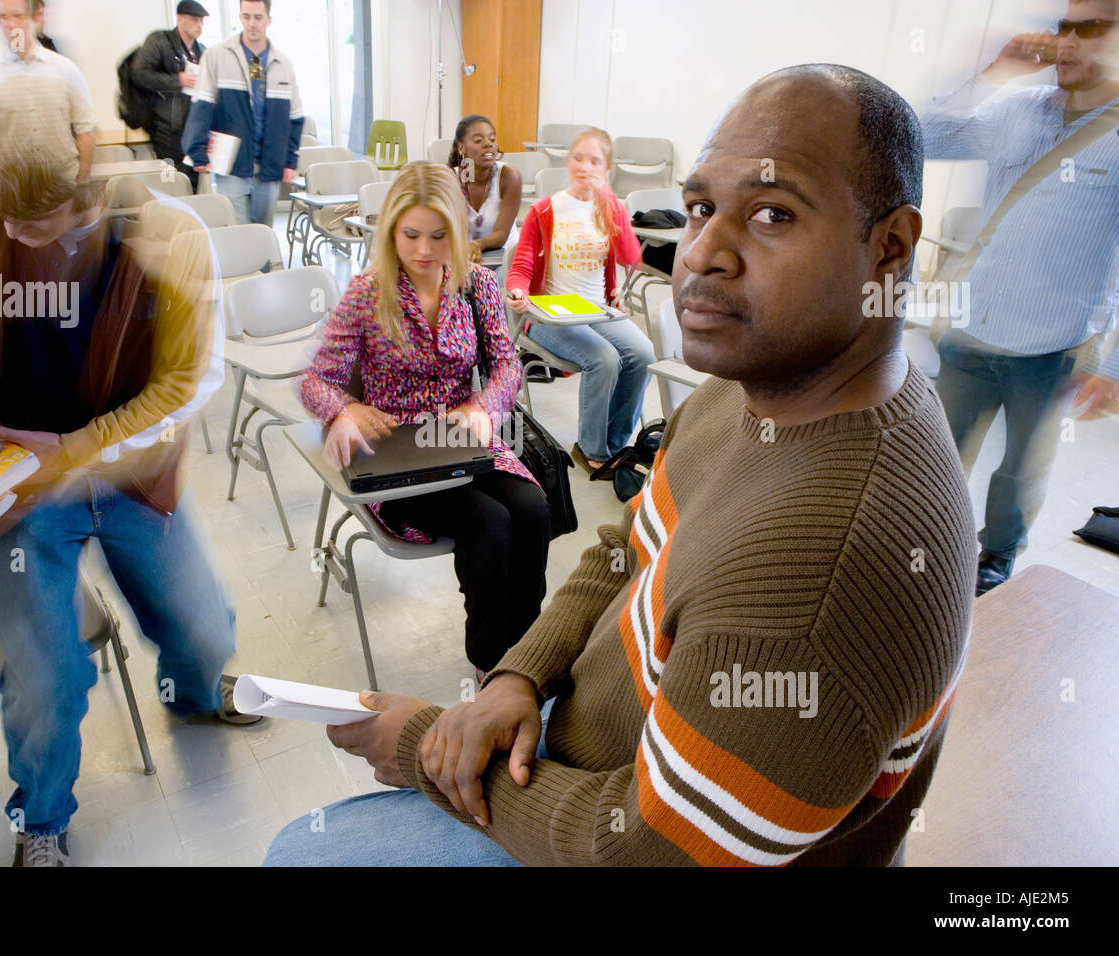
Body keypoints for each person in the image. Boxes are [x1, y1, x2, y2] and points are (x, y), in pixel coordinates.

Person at [264, 64, 977, 867]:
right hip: (576, 737)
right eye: (703, 206)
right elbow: (625, 550)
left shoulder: (825, 566)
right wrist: (519, 679)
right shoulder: (742, 396)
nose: (702, 252)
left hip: (619, 825)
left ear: (890, 248)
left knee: (302, 853)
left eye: (773, 214)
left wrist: (420, 745)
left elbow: (644, 851)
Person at [0, 150, 248, 867]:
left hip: (133, 471)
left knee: (201, 629)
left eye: (28, 217)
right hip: (20, 486)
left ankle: (194, 693)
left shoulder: (169, 232)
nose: (8, 226)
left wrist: (74, 449)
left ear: (89, 194)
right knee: (44, 678)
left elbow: (191, 383)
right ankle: (40, 819)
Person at [299, 161, 550, 676]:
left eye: (438, 236)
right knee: (489, 525)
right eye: (410, 234)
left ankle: (527, 655)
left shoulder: (476, 284)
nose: (423, 250)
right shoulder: (369, 293)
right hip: (400, 452)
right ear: (391, 229)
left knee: (532, 508)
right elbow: (315, 381)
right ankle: (491, 665)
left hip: (461, 439)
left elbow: (506, 366)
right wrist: (344, 410)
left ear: (457, 234)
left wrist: (486, 406)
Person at [921, 0, 1119, 595]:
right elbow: (924, 135)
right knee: (939, 458)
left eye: (1091, 27)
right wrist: (993, 71)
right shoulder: (1017, 107)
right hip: (971, 330)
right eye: (1064, 25)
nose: (1068, 40)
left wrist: (1111, 367)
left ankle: (994, 563)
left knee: (1018, 474)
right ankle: (925, 548)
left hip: (1052, 344)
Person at [505, 128, 654, 474]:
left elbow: (632, 256)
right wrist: (518, 291)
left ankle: (616, 443)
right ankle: (591, 449)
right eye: (578, 157)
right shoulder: (544, 210)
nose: (584, 166)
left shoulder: (610, 208)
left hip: (596, 311)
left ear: (607, 168)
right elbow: (523, 263)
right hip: (549, 315)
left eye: (594, 161)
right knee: (604, 359)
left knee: (643, 354)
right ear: (568, 160)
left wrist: (612, 206)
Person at [182, 0, 304, 226]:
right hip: (233, 164)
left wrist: (290, 161)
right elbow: (202, 105)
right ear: (240, 17)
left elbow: (295, 118)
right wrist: (197, 150)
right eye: (246, 17)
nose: (251, 24)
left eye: (258, 17)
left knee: (262, 233)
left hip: (269, 164)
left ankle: (264, 264)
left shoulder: (283, 64)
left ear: (269, 20)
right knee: (240, 234)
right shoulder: (218, 55)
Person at [0, 0, 95, 184]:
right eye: (3, 16)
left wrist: (82, 182)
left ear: (35, 18)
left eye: (18, 16)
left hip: (64, 186)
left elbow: (86, 130)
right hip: (14, 191)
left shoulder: (65, 69)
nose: (10, 24)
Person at [133, 1, 209, 191]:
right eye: (194, 20)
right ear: (180, 19)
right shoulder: (160, 42)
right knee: (171, 184)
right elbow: (140, 74)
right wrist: (177, 80)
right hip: (166, 131)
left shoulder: (202, 51)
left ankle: (190, 219)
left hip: (193, 131)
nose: (199, 26)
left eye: (201, 21)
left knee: (192, 185)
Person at [447, 114, 521, 259]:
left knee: (499, 278)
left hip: (504, 257)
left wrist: (477, 244)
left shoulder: (509, 176)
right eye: (478, 140)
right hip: (465, 257)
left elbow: (501, 235)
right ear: (462, 147)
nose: (488, 144)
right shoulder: (450, 179)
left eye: (492, 139)